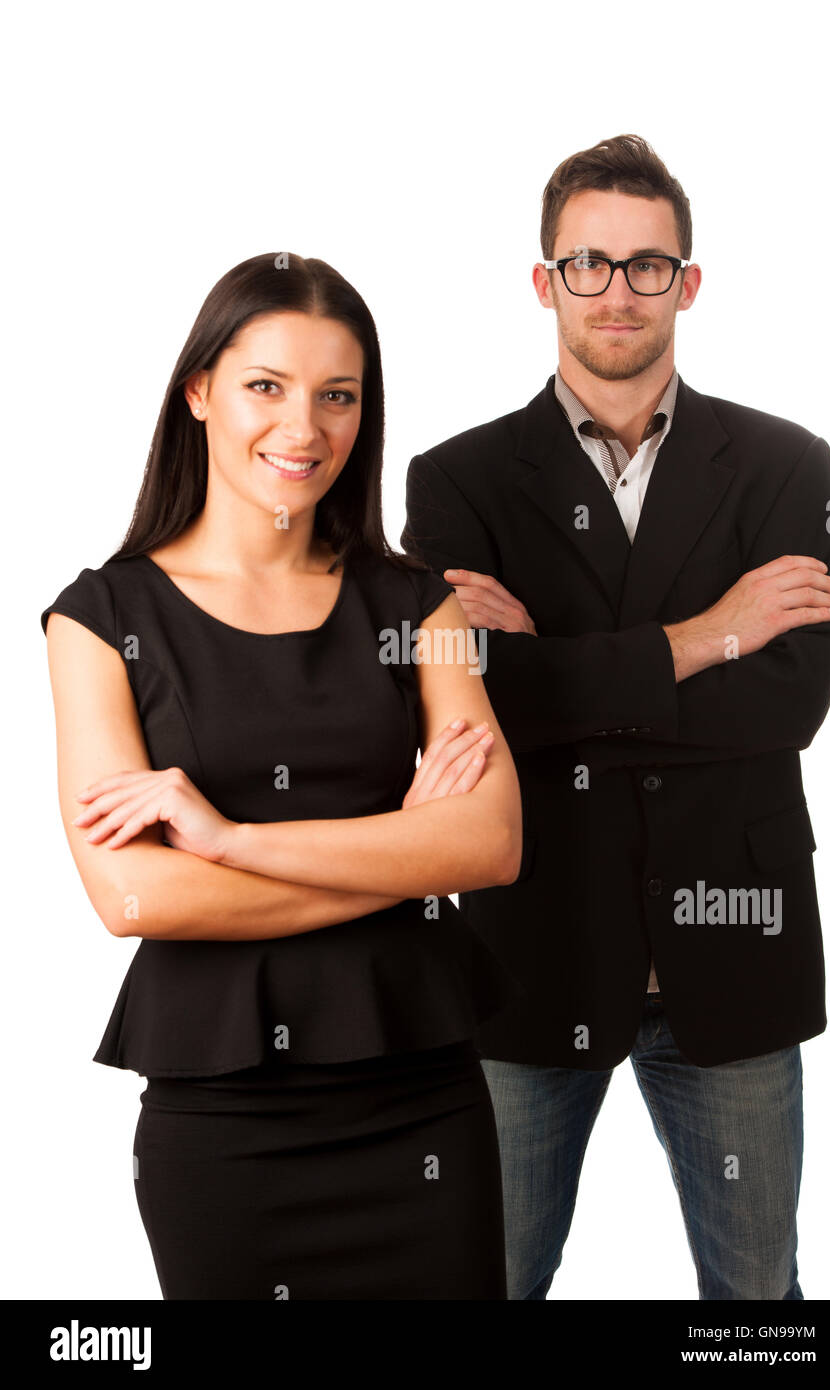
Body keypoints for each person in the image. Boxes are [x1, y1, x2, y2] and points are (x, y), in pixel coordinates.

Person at [401, 134, 830, 1300]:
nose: (616, 290)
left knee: (757, 1302)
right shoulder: (456, 482)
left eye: (646, 265)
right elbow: (474, 713)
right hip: (528, 953)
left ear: (686, 283)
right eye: (586, 263)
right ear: (543, 281)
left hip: (730, 955)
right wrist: (707, 636)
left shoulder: (783, 464)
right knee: (483, 1279)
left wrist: (554, 676)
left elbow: (789, 702)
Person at [41, 252, 524, 1301]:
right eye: (266, 386)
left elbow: (488, 842)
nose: (303, 428)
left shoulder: (418, 608)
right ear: (201, 390)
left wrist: (228, 840)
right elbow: (135, 894)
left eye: (337, 396)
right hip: (225, 1128)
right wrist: (402, 848)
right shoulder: (99, 620)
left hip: (420, 1104)